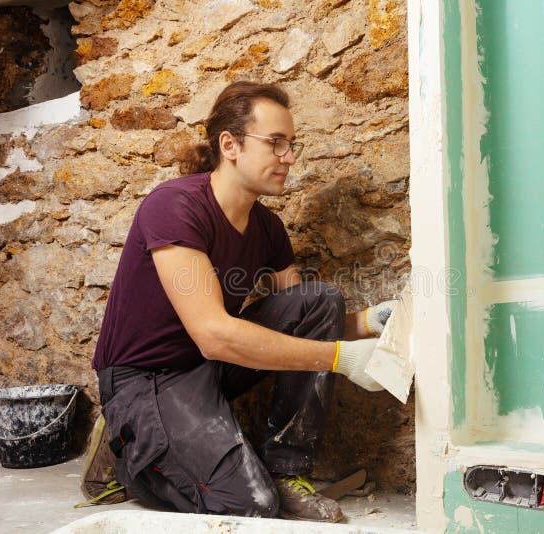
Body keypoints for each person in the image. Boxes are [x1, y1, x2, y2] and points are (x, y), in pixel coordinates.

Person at [88, 81, 397, 522]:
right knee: (250, 503)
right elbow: (214, 334)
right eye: (275, 143)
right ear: (229, 145)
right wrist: (342, 359)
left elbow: (307, 327)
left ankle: (288, 470)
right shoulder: (174, 206)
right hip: (146, 379)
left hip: (207, 368)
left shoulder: (267, 228)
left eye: (291, 145)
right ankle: (128, 453)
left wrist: (369, 322)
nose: (289, 158)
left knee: (318, 299)